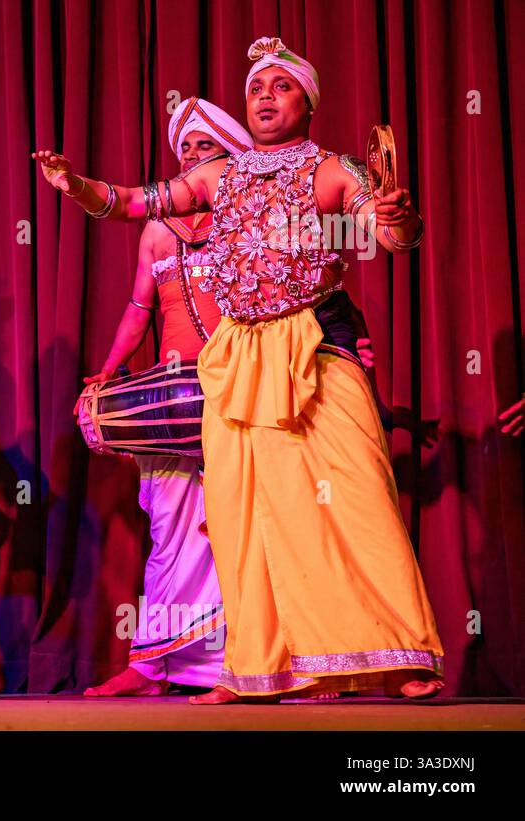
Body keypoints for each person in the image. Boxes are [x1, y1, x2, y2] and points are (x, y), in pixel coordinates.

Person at [36, 37, 444, 703]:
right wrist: (74, 184)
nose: (264, 96)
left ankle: (400, 653)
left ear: (308, 102)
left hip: (316, 342)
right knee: (241, 513)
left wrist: (400, 219)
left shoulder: (336, 170)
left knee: (359, 495)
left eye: (281, 86)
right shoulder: (216, 178)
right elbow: (131, 202)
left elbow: (387, 234)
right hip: (239, 354)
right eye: (256, 86)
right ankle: (254, 666)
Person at [81, 98, 251, 697]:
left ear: (232, 157)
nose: (194, 159)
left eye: (206, 149)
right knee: (170, 530)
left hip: (242, 388)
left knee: (242, 526)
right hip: (174, 398)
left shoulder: (248, 221)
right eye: (185, 151)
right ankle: (154, 666)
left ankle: (254, 660)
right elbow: (138, 309)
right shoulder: (156, 231)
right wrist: (108, 370)